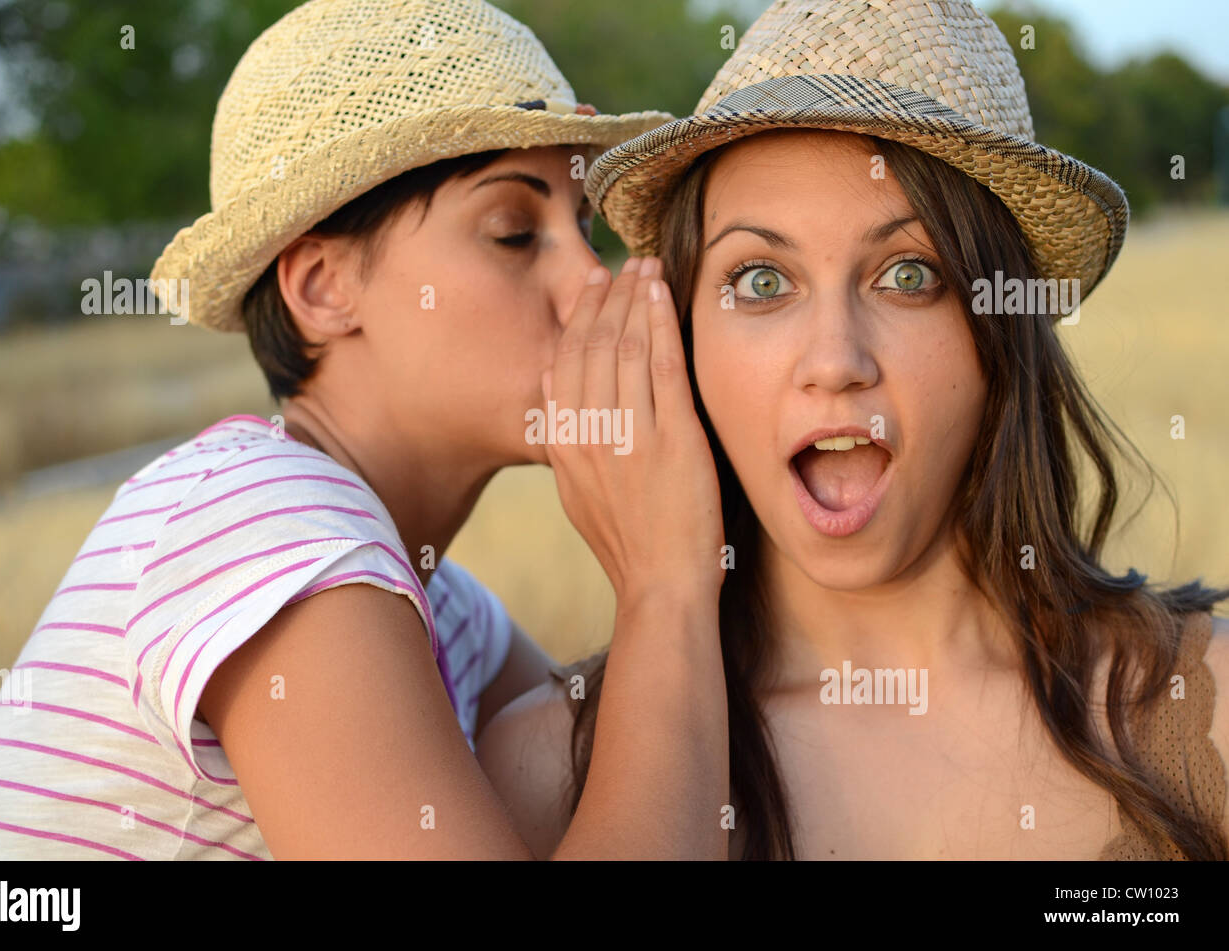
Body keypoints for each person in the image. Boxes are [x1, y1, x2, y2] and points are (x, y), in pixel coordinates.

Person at [0, 0, 730, 860]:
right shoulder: (263, 522)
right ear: (321, 287)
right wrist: (665, 583)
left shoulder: (451, 612)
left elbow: (656, 758)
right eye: (514, 232)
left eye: (582, 227)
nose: (589, 280)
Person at [477, 0, 1229, 860]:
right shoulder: (541, 773)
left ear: (1002, 333)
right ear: (677, 340)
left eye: (909, 274)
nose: (835, 360)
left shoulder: (1207, 716)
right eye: (761, 281)